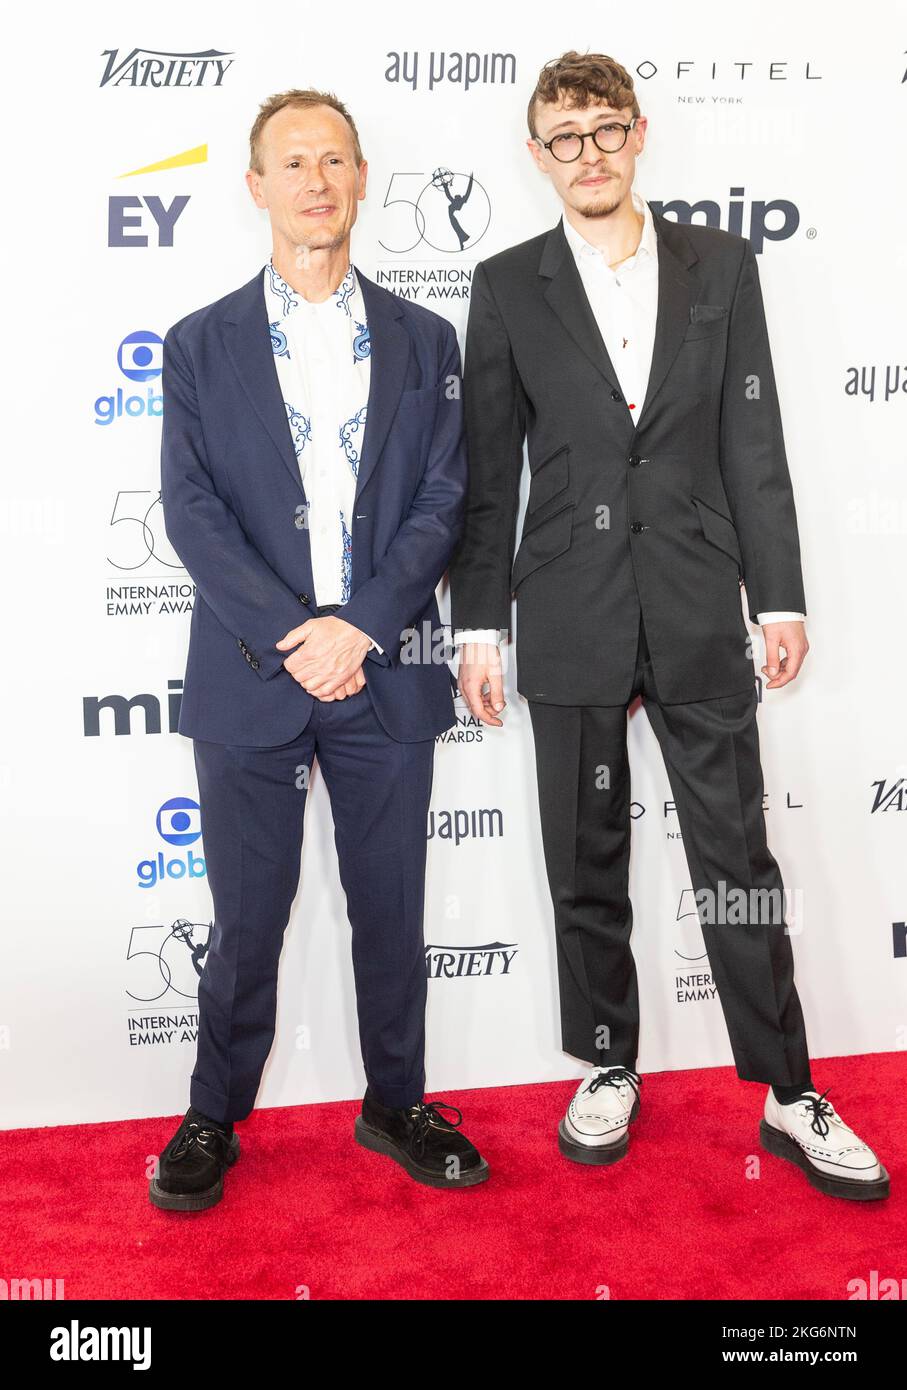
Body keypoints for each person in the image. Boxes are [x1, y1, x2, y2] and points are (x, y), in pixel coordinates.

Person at [450, 50, 887, 1200]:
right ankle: (605, 1061)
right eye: (563, 137)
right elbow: (490, 478)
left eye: (604, 130)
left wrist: (778, 593)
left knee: (734, 858)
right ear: (535, 154)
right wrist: (476, 628)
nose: (586, 154)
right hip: (569, 605)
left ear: (638, 133)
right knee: (581, 858)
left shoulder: (721, 266)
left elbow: (756, 442)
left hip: (698, 599)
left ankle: (789, 1090)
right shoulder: (503, 286)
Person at [152, 88, 488, 1209]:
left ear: (360, 178)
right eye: (291, 162)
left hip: (384, 670)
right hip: (252, 672)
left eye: (334, 158)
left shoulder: (425, 339)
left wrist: (363, 625)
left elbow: (444, 499)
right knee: (246, 918)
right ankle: (212, 1115)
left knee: (389, 907)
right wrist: (299, 636)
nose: (315, 180)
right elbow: (191, 511)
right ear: (256, 187)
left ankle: (396, 1103)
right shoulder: (200, 344)